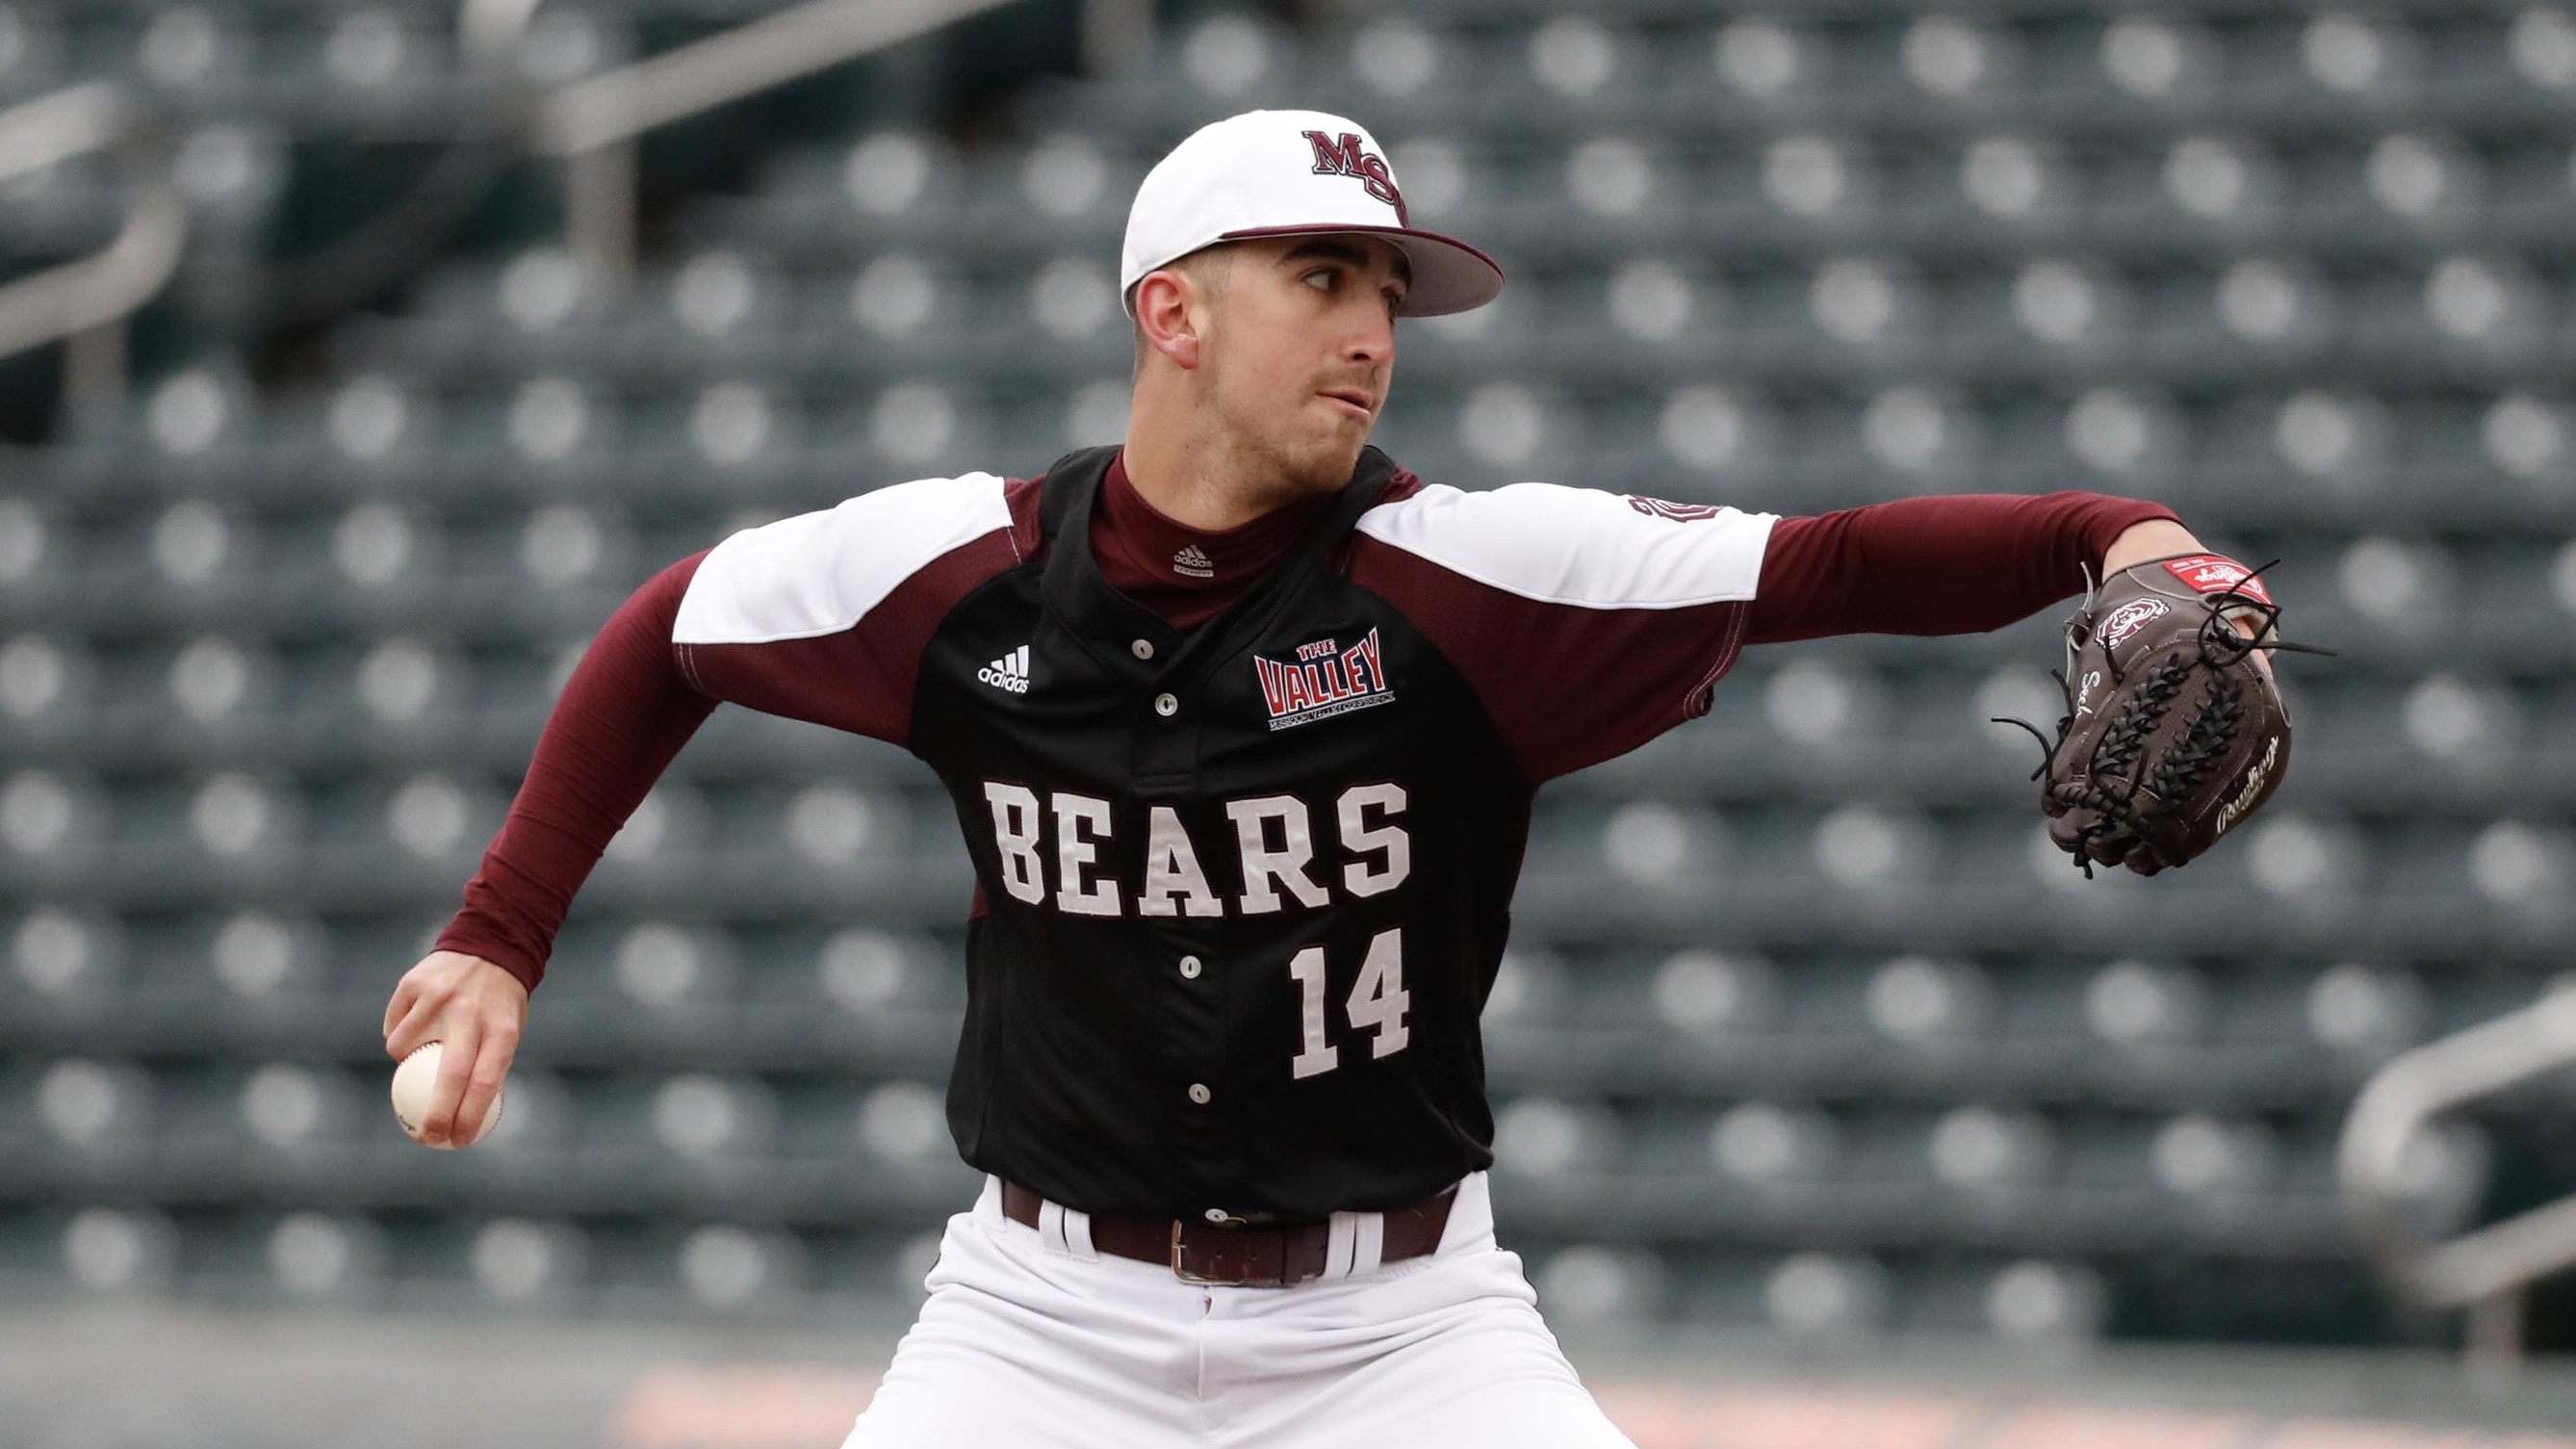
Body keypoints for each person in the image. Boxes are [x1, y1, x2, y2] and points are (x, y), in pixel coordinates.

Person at [381, 109, 2280, 1447]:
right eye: (1319, 274)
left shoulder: (1485, 576)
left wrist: (2141, 546)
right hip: (1043, 1321)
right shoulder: (957, 573)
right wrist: (500, 933)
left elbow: (1846, 557)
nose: (1374, 327)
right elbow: (672, 625)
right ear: (1173, 313)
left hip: (1406, 1332)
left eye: (1388, 285)